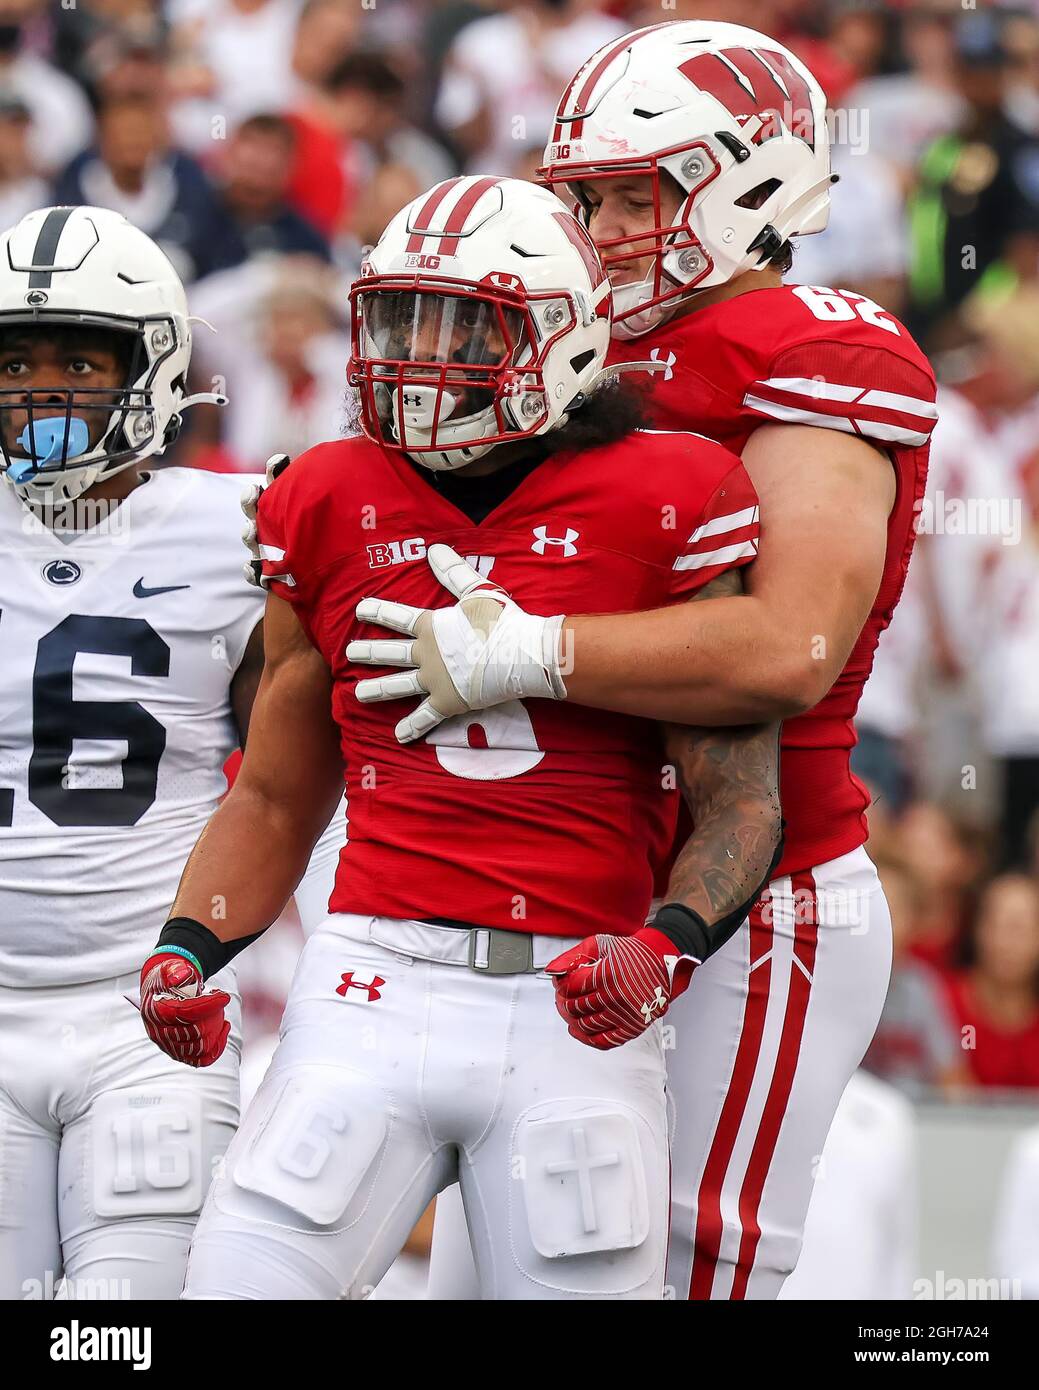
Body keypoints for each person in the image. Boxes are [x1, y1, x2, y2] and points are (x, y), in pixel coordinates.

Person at [369, 20, 938, 1301]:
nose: (603, 226)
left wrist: (531, 651)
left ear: (752, 181)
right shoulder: (581, 343)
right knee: (487, 1270)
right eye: (585, 196)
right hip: (567, 874)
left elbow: (785, 651)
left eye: (635, 192)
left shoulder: (815, 348)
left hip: (752, 898)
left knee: (683, 1270)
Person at [138, 176, 782, 1301]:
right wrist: (191, 943)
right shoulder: (327, 494)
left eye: (466, 326)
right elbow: (279, 796)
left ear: (568, 338)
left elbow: (739, 793)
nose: (421, 359)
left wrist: (666, 944)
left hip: (575, 997)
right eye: (402, 319)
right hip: (370, 981)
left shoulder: (670, 494)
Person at [0, 204, 340, 1301]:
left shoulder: (247, 525)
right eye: (17, 360)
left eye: (75, 360)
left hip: (145, 1010)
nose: (42, 390)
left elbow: (298, 781)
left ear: (147, 365)